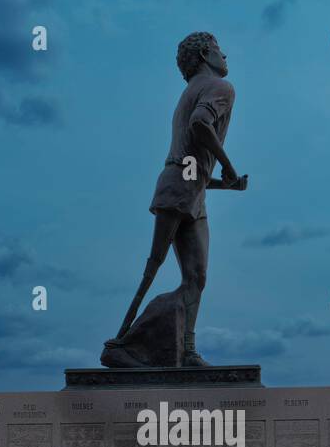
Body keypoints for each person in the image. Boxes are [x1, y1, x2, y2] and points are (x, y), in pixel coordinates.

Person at [103, 31, 248, 368]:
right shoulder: (220, 87)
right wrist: (228, 166)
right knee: (154, 270)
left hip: (185, 187)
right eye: (220, 51)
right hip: (181, 188)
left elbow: (190, 168)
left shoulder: (189, 92)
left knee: (194, 277)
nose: (226, 57)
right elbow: (200, 124)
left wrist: (228, 184)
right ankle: (124, 343)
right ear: (205, 54)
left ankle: (186, 350)